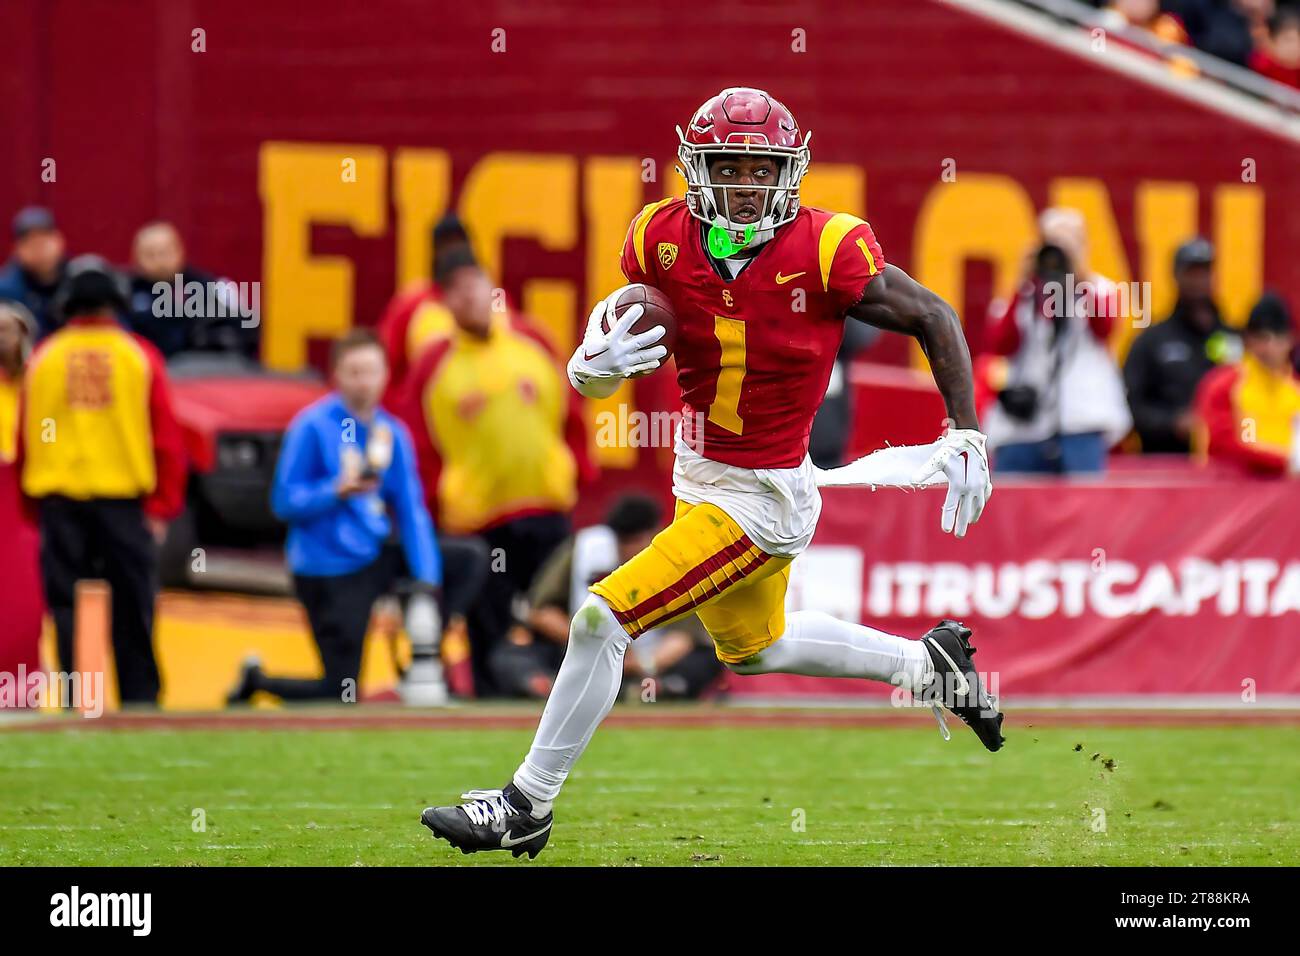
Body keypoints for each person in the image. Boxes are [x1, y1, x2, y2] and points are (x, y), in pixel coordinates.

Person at [420, 87, 1002, 859]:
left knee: (601, 619)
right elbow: (612, 347)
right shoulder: (660, 238)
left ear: (789, 173)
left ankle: (526, 803)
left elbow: (935, 315)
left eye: (761, 170)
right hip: (699, 475)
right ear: (698, 169)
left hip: (762, 499)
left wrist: (966, 430)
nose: (746, 185)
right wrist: (591, 367)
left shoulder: (828, 247)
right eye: (728, 167)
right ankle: (928, 666)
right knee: (757, 649)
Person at [399, 247, 595, 696]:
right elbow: (420, 443)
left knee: (556, 613)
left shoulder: (533, 340)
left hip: (545, 506)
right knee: (488, 621)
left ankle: (565, 695)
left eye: (475, 283)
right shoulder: (435, 363)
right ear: (444, 303)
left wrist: (577, 472)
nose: (469, 296)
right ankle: (489, 702)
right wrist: (432, 506)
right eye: (456, 291)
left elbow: (571, 409)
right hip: (479, 520)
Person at [227, 329, 442, 704]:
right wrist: (334, 490)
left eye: (371, 371)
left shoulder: (391, 432)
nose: (364, 382)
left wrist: (427, 580)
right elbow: (284, 502)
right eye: (354, 372)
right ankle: (258, 681)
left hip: (372, 554)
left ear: (385, 374)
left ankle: (425, 659)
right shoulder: (312, 426)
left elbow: (412, 511)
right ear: (337, 375)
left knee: (467, 560)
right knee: (342, 692)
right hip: (327, 566)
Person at [19, 256, 186, 704]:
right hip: (123, 503)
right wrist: (162, 506)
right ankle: (139, 699)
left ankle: (74, 697)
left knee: (65, 605)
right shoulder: (138, 356)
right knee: (133, 604)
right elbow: (166, 438)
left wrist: (30, 508)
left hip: (59, 500)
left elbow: (27, 434)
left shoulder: (44, 357)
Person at [495, 493, 722, 700]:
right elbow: (540, 610)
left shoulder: (676, 558)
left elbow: (685, 634)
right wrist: (589, 640)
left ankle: (655, 689)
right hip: (582, 652)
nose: (629, 549)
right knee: (511, 653)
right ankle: (546, 684)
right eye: (623, 541)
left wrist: (644, 663)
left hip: (648, 660)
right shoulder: (583, 548)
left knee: (709, 657)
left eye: (636, 540)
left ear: (655, 533)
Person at [982, 208, 1131, 474]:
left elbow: (1104, 328)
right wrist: (1022, 282)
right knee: (1014, 497)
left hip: (1082, 420)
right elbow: (1001, 344)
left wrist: (1079, 275)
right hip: (1024, 424)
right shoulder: (1024, 293)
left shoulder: (1100, 288)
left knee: (1083, 497)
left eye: (1068, 243)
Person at [1123, 237, 1238, 454]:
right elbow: (1130, 405)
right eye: (1191, 273)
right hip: (1167, 461)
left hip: (1225, 460)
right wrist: (1173, 423)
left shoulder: (1234, 338)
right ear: (1176, 276)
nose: (1198, 280)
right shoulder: (1152, 341)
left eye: (1204, 272)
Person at [1194, 293, 1300, 476]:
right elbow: (1222, 446)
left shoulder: (1295, 390)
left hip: (1287, 490)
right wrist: (1284, 462)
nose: (1270, 347)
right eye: (1262, 338)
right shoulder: (1224, 385)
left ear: (1291, 339)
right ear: (1248, 339)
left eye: (1278, 338)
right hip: (1233, 489)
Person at [126, 221, 259, 359]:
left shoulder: (210, 287)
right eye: (150, 255)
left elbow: (244, 332)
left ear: (179, 251)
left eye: (165, 252)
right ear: (136, 258)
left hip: (202, 366)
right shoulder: (126, 294)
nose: (160, 261)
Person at [0, 301, 42, 707]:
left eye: (8, 329)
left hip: (22, 510)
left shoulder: (37, 387)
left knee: (21, 608)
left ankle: (18, 691)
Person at [0, 207, 68, 340]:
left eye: (44, 240)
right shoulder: (5, 293)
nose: (39, 249)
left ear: (59, 240)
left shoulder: (78, 283)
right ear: (17, 249)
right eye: (30, 243)